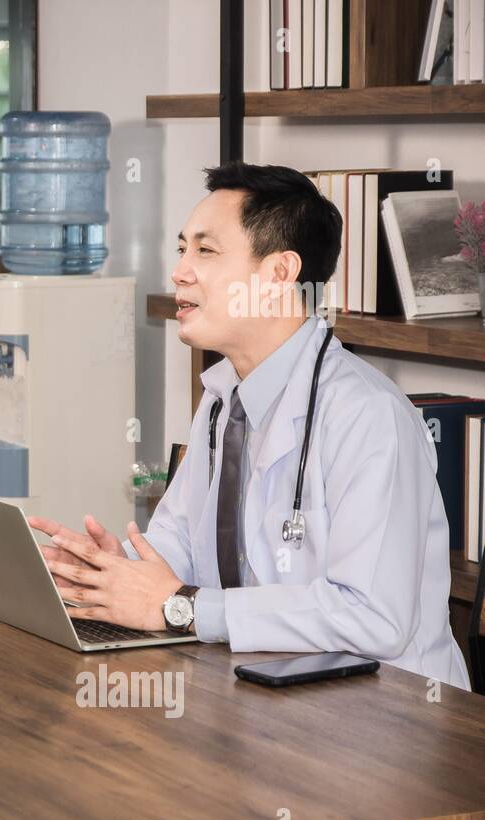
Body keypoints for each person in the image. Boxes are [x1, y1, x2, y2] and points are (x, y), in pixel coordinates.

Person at [30, 161, 469, 691]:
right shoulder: (221, 399)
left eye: (206, 251)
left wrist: (181, 608)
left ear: (280, 274)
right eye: (182, 248)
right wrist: (113, 571)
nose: (180, 271)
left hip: (385, 714)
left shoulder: (368, 415)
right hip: (263, 690)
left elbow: (373, 618)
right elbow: (180, 542)